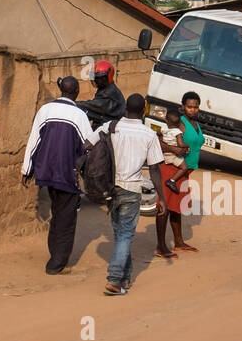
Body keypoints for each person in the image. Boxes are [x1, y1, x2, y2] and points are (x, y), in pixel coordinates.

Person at [87, 93, 164, 296]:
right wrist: (161, 198)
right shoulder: (149, 134)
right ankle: (113, 279)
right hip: (132, 189)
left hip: (111, 188)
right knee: (126, 234)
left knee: (121, 233)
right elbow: (155, 169)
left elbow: (87, 145)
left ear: (125, 109)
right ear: (143, 111)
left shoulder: (110, 127)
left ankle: (125, 278)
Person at [21, 75, 93, 275]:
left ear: (62, 90)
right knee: (66, 217)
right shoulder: (79, 116)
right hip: (66, 174)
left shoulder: (45, 110)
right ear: (76, 91)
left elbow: (34, 140)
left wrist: (27, 169)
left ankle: (54, 254)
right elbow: (89, 146)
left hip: (46, 172)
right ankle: (56, 264)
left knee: (57, 212)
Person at [154, 91, 204, 257]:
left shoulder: (195, 124)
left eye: (195, 107)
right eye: (189, 107)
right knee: (164, 206)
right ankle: (160, 247)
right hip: (172, 169)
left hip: (184, 171)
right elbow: (158, 140)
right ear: (183, 107)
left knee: (176, 208)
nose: (192, 110)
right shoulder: (178, 122)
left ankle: (179, 242)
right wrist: (172, 149)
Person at [77, 61, 125, 128]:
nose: (97, 81)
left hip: (110, 130)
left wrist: (73, 103)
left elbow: (93, 106)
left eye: (100, 78)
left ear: (108, 77)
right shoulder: (104, 89)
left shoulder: (110, 93)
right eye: (96, 78)